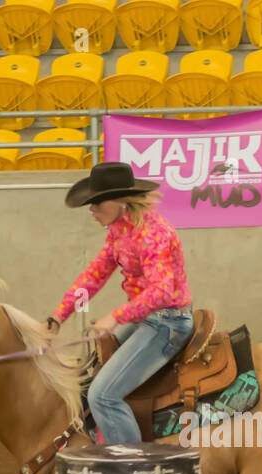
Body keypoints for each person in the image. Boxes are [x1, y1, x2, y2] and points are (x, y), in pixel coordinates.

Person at [47, 162, 193, 444]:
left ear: (120, 202)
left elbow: (162, 291)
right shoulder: (120, 231)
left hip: (167, 323)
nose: (92, 210)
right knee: (92, 374)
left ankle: (132, 467)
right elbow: (94, 276)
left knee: (103, 395)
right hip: (147, 321)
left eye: (97, 203)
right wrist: (58, 317)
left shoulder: (154, 234)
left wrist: (116, 317)